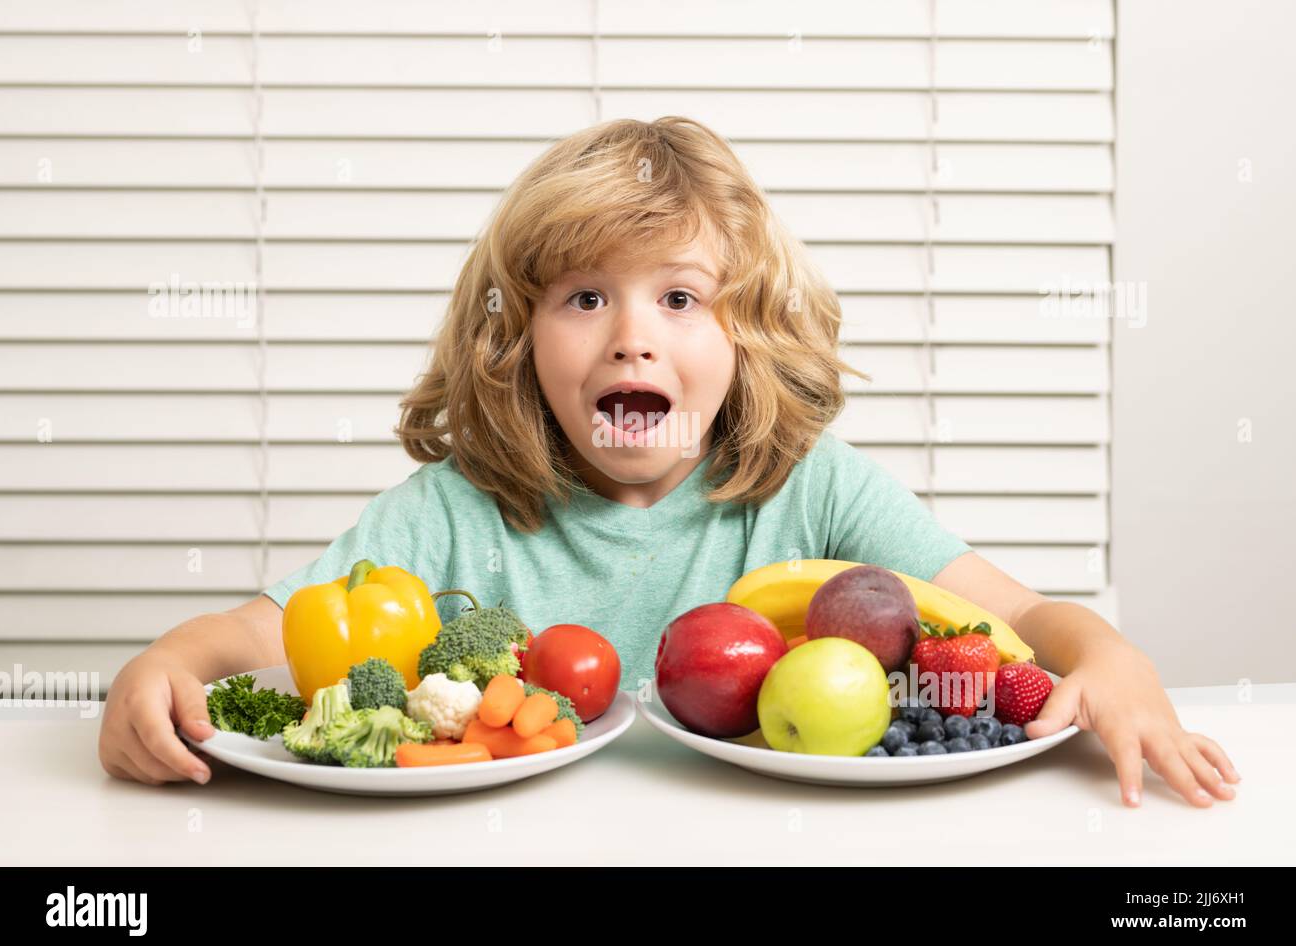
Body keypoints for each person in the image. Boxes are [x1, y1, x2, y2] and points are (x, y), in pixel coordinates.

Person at [99, 116, 1239, 809]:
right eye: (584, 297)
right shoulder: (457, 513)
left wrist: (1114, 662)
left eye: (681, 298)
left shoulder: (814, 489)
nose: (631, 336)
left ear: (745, 335)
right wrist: (165, 662)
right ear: (518, 338)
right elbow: (262, 636)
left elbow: (1023, 617)